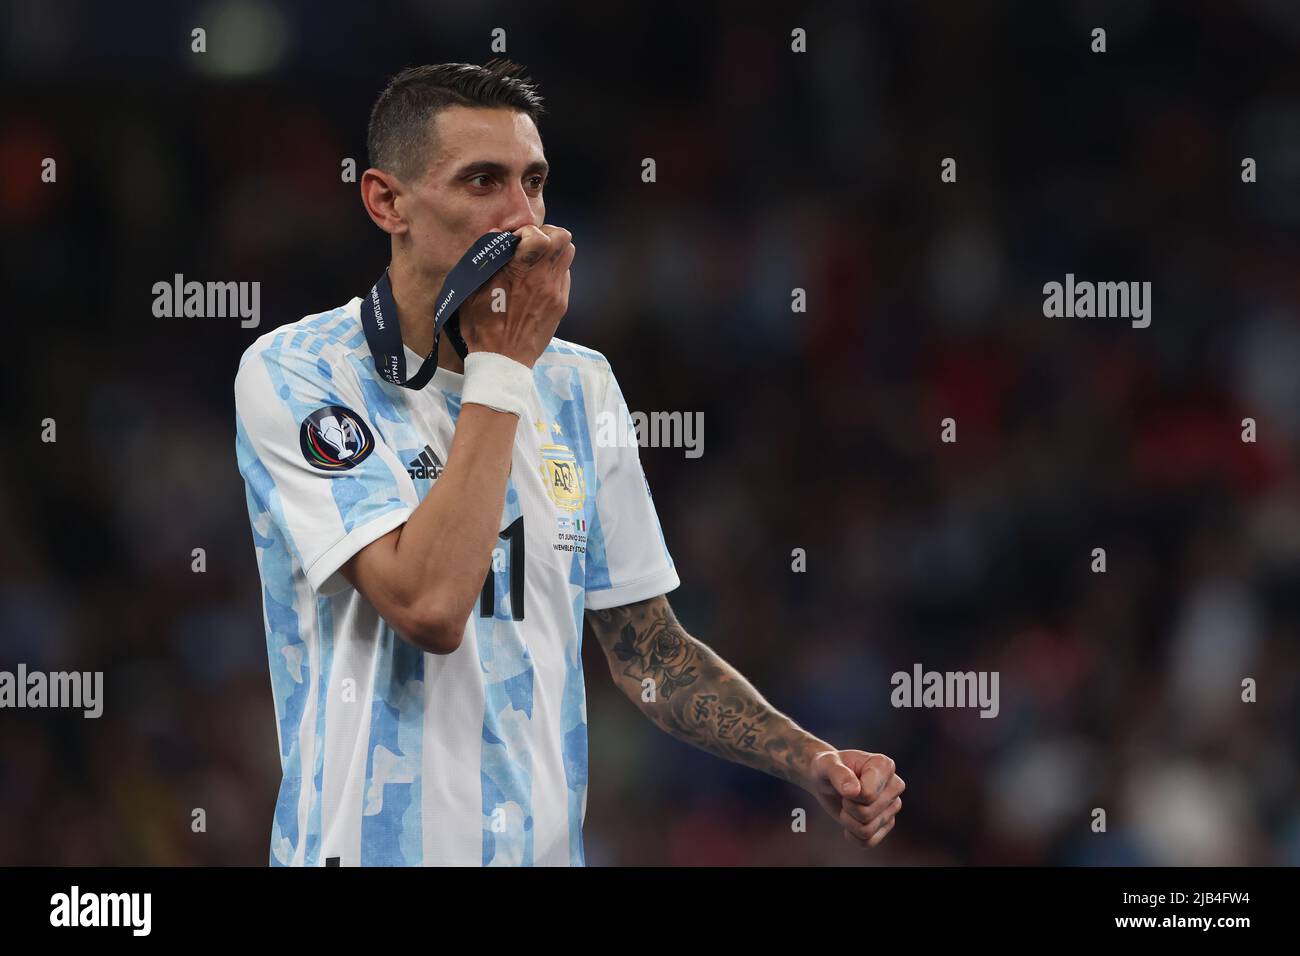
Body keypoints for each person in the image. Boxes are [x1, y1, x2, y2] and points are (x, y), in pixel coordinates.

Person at [233, 59, 903, 866]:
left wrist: (811, 759)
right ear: (387, 202)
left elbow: (649, 652)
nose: (523, 217)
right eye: (482, 181)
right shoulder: (299, 372)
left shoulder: (579, 386)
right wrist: (504, 366)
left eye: (535, 182)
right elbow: (431, 605)